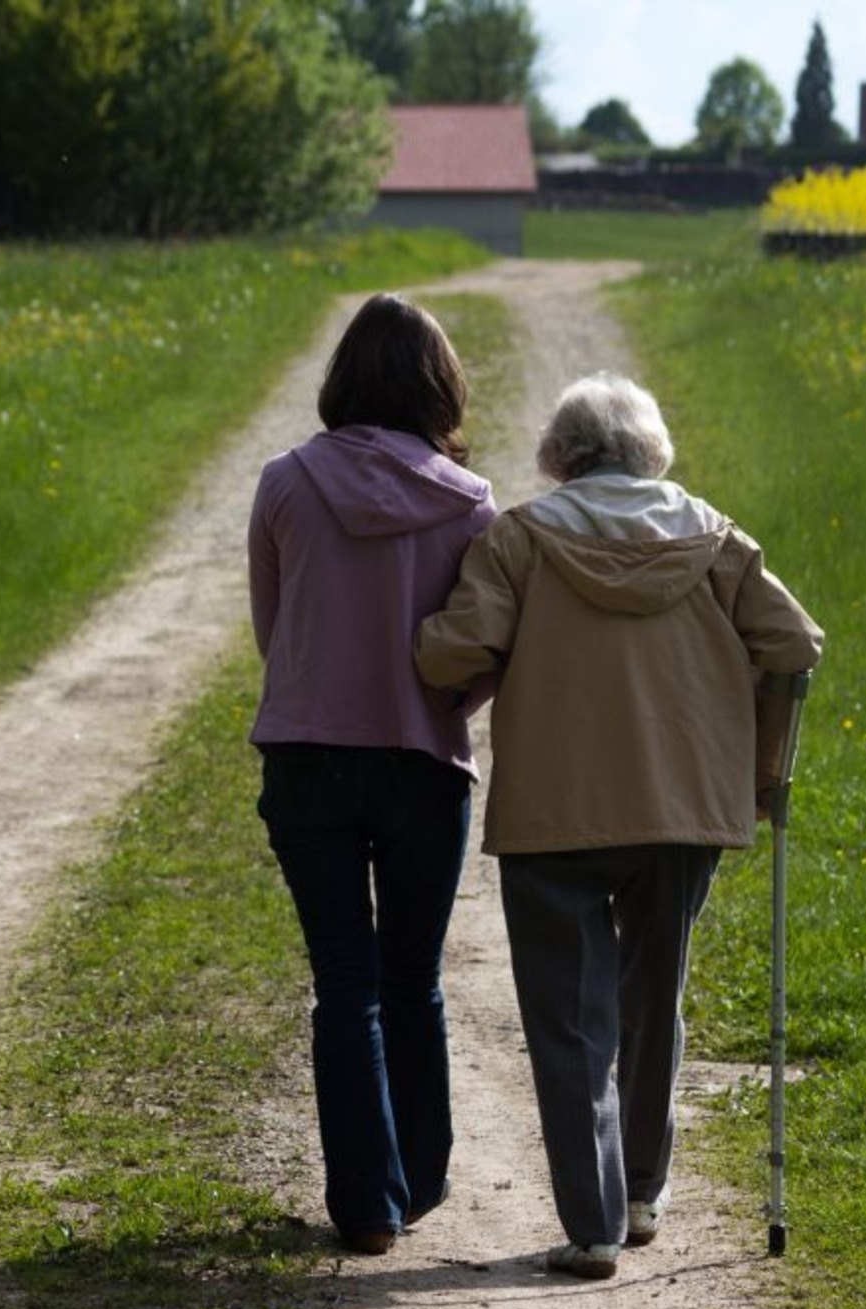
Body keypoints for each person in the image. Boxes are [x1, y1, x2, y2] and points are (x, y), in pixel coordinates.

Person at [415, 372, 824, 1280]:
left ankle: (594, 1223)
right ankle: (643, 1190)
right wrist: (761, 776)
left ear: (559, 457)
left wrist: (414, 631)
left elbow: (454, 651)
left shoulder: (520, 538)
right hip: (680, 809)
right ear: (651, 452)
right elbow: (795, 646)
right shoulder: (716, 540)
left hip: (551, 812)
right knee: (653, 998)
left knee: (569, 1021)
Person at [248, 293, 496, 1255]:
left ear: (342, 379)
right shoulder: (472, 504)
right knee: (414, 980)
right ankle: (420, 1175)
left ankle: (366, 1204)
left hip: (307, 758)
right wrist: (439, 708)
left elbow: (275, 634)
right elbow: (480, 655)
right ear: (440, 386)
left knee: (343, 982)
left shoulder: (283, 481)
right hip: (425, 764)